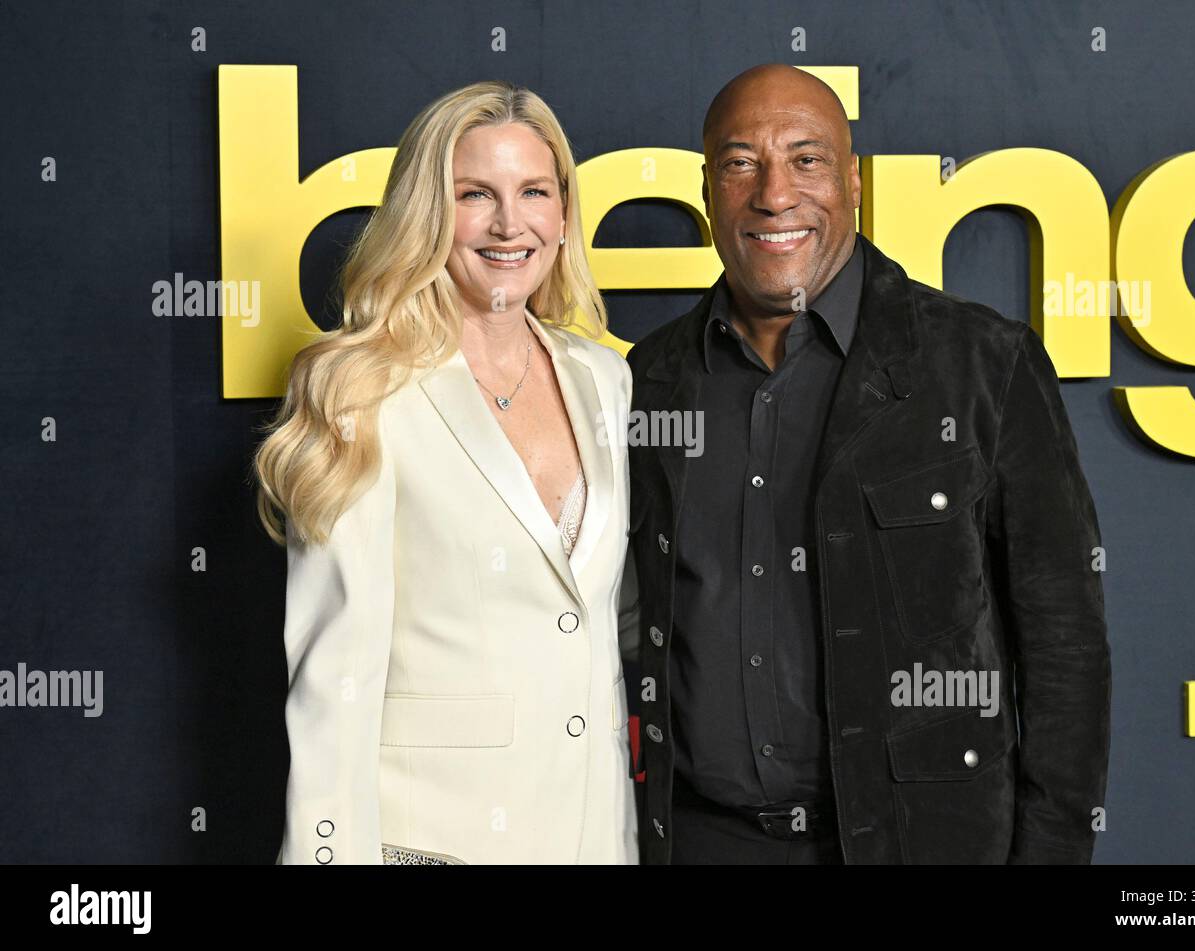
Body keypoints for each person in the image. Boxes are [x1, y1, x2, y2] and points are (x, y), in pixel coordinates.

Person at [623, 64, 1111, 864]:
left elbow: (1065, 647)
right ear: (706, 187)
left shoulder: (983, 363)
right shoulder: (646, 380)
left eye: (807, 159)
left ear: (853, 180)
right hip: (699, 843)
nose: (775, 195)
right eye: (741, 162)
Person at [254, 81, 637, 864]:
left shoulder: (603, 378)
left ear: (563, 215)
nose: (509, 223)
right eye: (474, 195)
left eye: (534, 191)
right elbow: (336, 679)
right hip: (428, 845)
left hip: (593, 836)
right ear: (428, 214)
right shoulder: (360, 389)